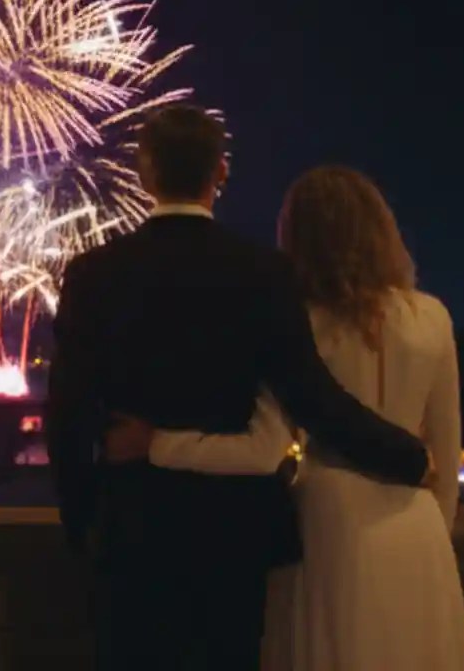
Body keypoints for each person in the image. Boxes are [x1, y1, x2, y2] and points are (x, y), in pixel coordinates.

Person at [45, 106, 433, 671]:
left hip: (132, 530)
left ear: (143, 173)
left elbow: (67, 411)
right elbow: (314, 399)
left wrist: (83, 520)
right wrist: (409, 456)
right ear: (220, 172)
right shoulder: (264, 273)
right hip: (233, 538)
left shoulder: (93, 273)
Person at [109, 166, 464, 670]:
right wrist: (434, 538)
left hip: (327, 523)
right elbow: (448, 458)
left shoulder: (295, 322)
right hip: (418, 530)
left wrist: (158, 443)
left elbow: (261, 450)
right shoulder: (433, 317)